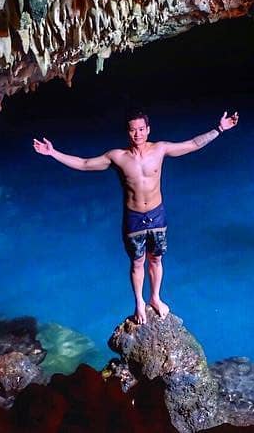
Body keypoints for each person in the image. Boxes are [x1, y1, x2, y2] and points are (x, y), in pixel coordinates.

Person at [33, 109, 239, 324]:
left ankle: (155, 297)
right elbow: (84, 164)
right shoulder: (118, 157)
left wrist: (219, 129)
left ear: (148, 130)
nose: (138, 134)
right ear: (128, 133)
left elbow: (193, 144)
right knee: (137, 262)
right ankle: (139, 302)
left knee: (156, 258)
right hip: (134, 217)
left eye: (141, 129)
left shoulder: (160, 149)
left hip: (157, 215)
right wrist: (53, 153)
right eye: (133, 130)